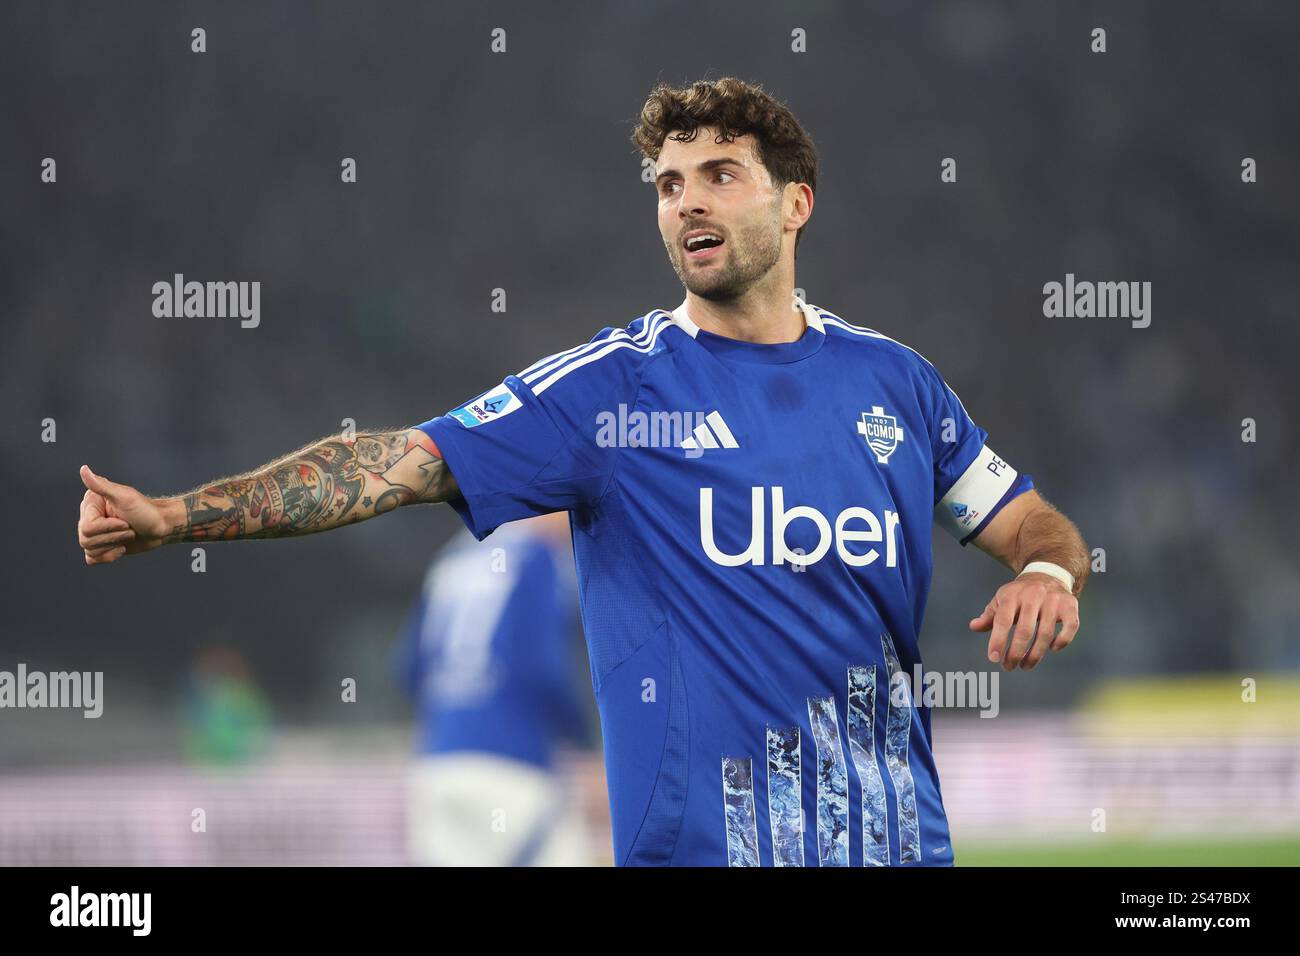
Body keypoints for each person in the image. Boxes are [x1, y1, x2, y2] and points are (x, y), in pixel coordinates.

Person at [76, 76, 1089, 866]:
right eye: (667, 184)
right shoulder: (610, 392)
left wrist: (1045, 572)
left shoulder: (896, 385)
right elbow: (392, 462)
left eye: (718, 175)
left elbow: (1034, 522)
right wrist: (177, 513)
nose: (686, 202)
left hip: (895, 842)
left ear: (795, 204)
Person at [395, 512, 594, 866]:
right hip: (514, 771)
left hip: (438, 768)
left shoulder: (452, 556)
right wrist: (589, 744)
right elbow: (547, 669)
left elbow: (407, 669)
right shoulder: (536, 555)